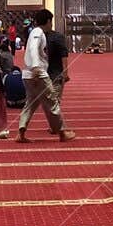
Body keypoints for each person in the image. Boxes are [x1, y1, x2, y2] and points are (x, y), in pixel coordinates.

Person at [18, 9, 73, 142]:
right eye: (51, 21)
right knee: (53, 103)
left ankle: (21, 132)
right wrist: (37, 67)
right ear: (48, 21)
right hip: (38, 74)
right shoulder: (38, 32)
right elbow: (32, 49)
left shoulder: (34, 32)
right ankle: (62, 133)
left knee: (30, 104)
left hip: (27, 74)